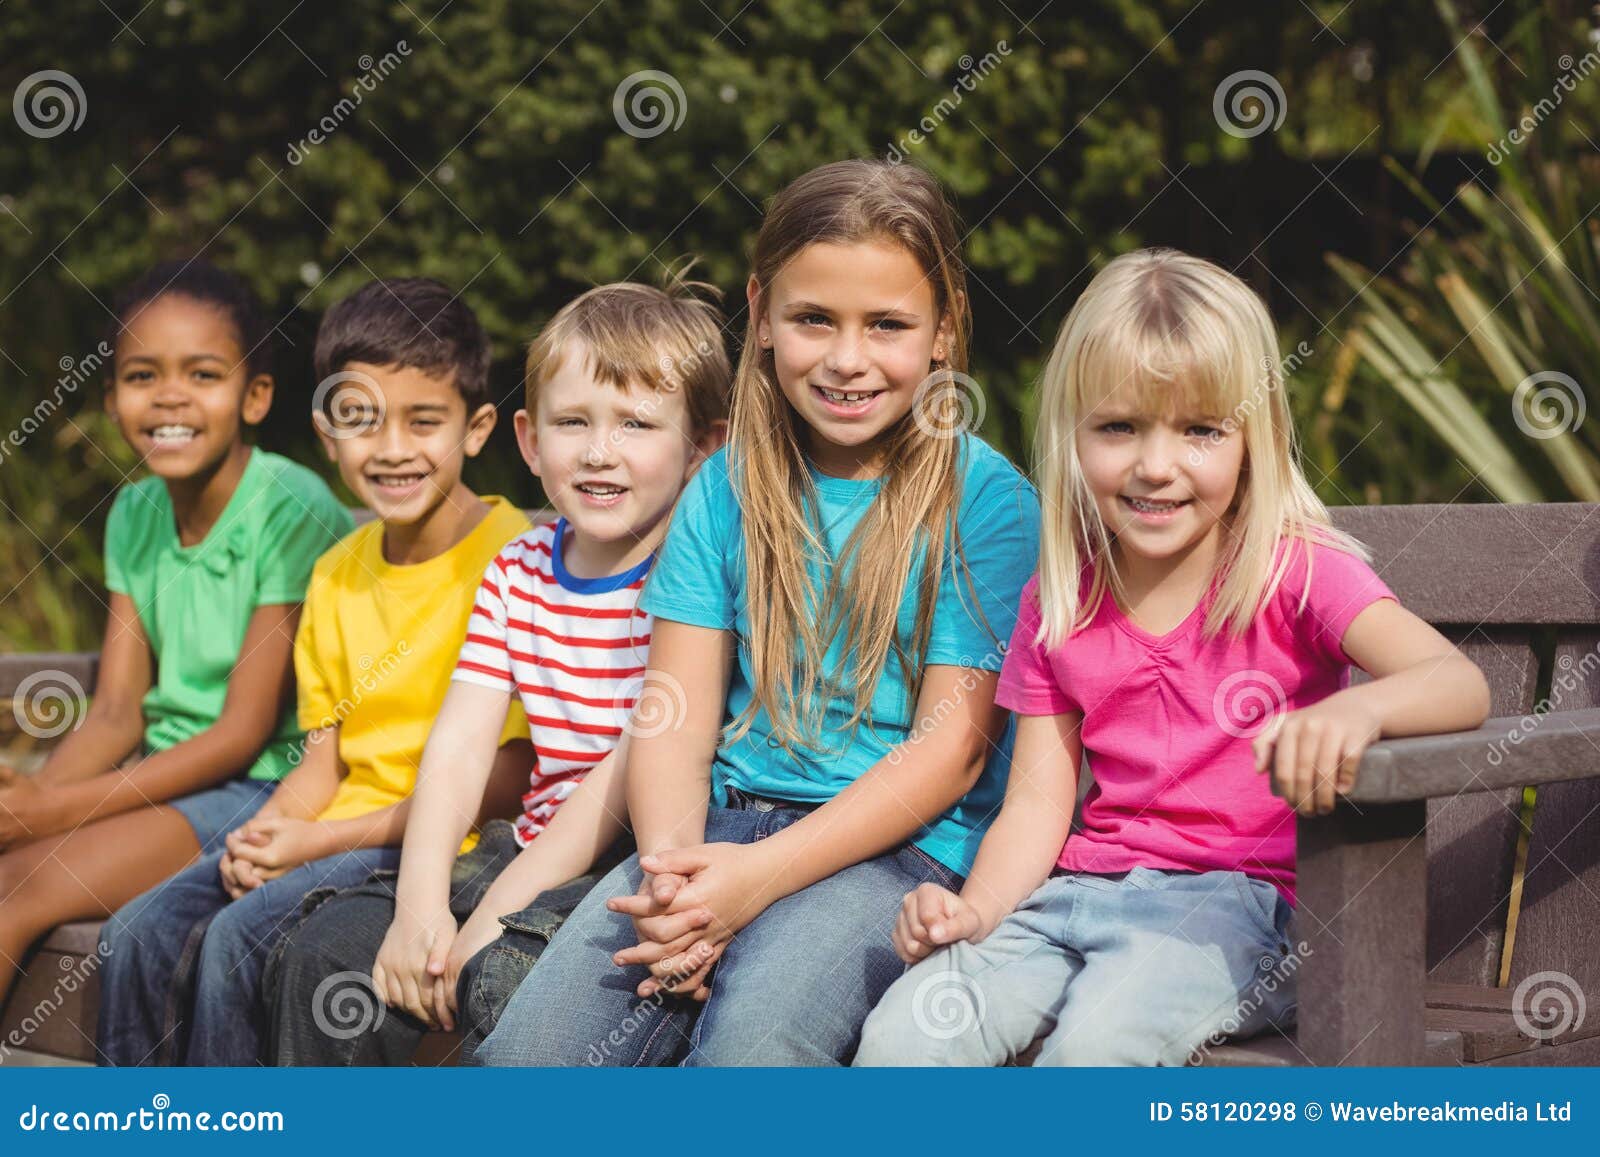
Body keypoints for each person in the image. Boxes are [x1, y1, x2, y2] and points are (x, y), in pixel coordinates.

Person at [854, 248, 1491, 1066]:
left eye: (1199, 431)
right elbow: (1040, 807)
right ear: (1072, 432)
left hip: (1245, 913)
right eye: (1119, 426)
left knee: (1096, 1048)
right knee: (904, 1036)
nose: (1157, 466)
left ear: (1251, 440)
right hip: (1075, 898)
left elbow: (1456, 682)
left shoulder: (1295, 571)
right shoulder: (1058, 598)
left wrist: (1358, 708)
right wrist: (975, 913)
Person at [473, 159, 1040, 1067]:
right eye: (814, 318)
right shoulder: (724, 491)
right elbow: (673, 714)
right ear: (763, 315)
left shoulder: (987, 503)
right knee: (525, 1059)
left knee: (751, 1051)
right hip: (715, 835)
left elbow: (952, 748)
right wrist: (674, 882)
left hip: (894, 853)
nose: (847, 358)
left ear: (943, 330)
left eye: (887, 325)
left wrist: (753, 883)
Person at [266, 272, 730, 1065]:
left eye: (636, 424)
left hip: (624, 862)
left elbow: (621, 777)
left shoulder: (699, 576)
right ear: (528, 439)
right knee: (321, 953)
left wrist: (493, 916)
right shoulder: (519, 570)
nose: (597, 451)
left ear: (702, 448)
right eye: (573, 421)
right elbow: (458, 745)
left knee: (494, 974)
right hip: (524, 842)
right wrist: (419, 907)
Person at [97, 278, 531, 1065]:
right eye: (360, 421)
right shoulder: (337, 572)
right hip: (334, 831)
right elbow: (324, 756)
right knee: (137, 931)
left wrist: (311, 839)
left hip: (445, 841)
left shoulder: (511, 557)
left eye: (422, 421)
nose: (391, 448)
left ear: (476, 429)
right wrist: (270, 832)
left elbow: (501, 782)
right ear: (328, 436)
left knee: (235, 944)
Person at [0, 260, 351, 1011]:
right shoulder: (135, 511)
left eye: (202, 374)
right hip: (162, 775)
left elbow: (241, 729)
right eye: (141, 375)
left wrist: (51, 810)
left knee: (19, 893)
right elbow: (118, 710)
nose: (169, 397)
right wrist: (30, 796)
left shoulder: (289, 506)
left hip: (263, 786)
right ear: (111, 397)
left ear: (255, 395)